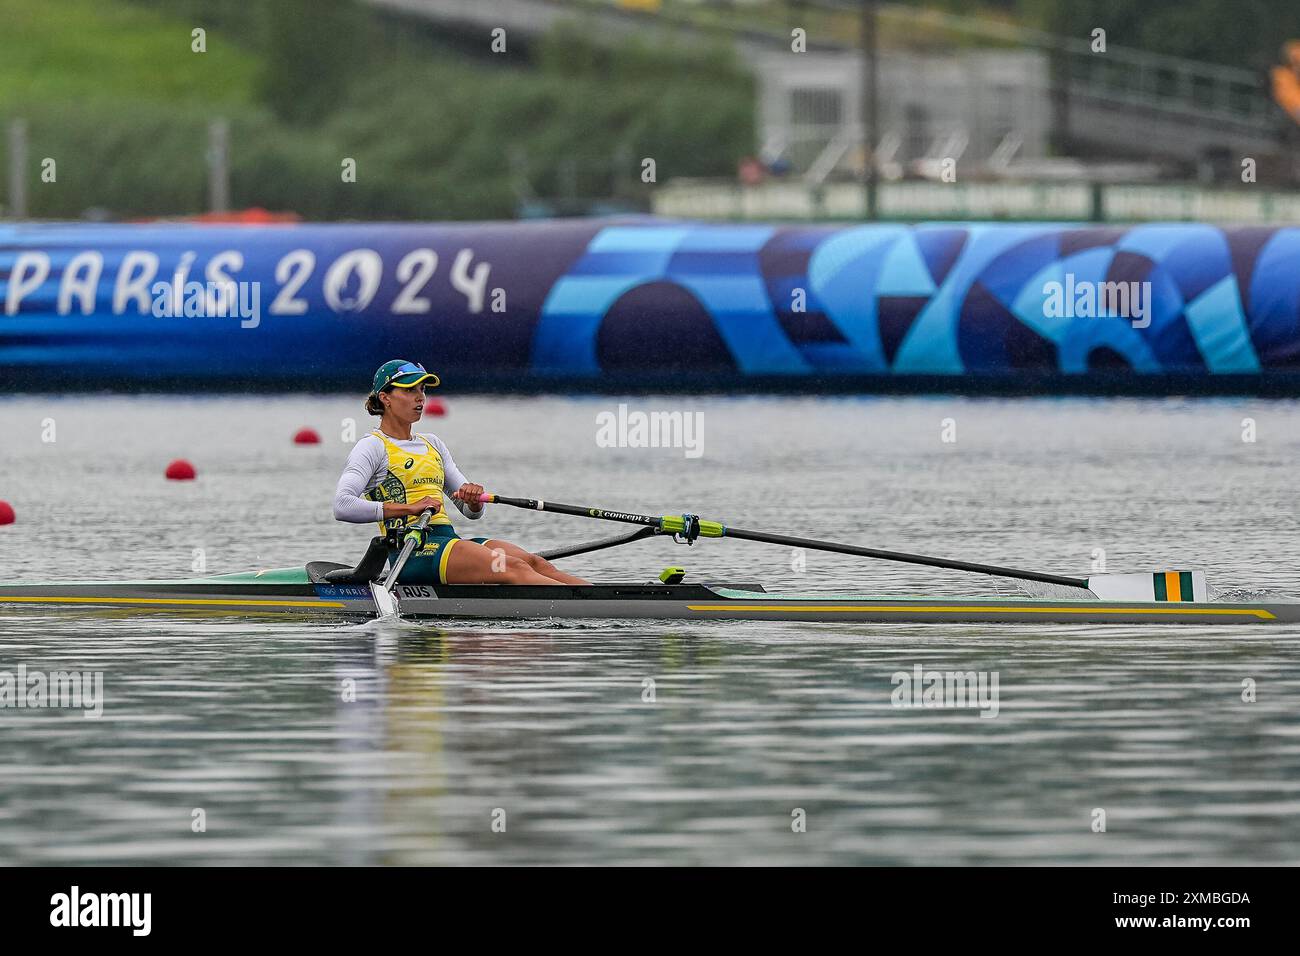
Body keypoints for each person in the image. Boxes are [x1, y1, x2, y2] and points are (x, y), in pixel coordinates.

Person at [333, 360, 588, 586]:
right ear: (385, 397)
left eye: (422, 390)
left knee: (534, 562)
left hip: (445, 542)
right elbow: (342, 506)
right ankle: (586, 613)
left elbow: (471, 512)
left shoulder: (432, 443)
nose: (420, 398)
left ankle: (604, 601)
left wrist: (473, 499)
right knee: (514, 567)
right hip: (413, 552)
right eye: (409, 390)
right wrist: (411, 508)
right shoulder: (373, 446)